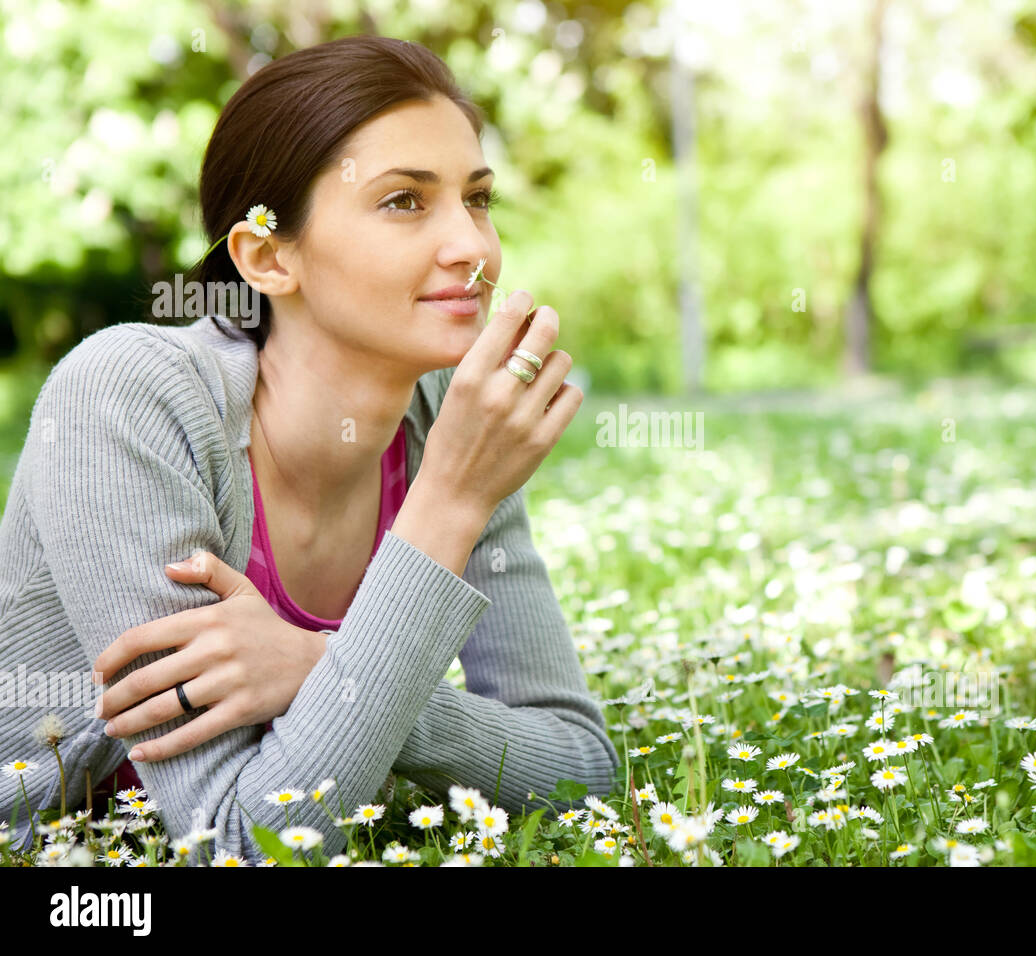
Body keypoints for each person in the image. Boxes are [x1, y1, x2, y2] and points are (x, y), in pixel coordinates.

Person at [0, 35, 617, 863]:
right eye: (404, 201)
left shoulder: (450, 418)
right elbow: (243, 846)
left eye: (477, 198)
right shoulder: (128, 395)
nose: (474, 248)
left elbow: (581, 769)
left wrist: (319, 667)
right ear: (267, 257)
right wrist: (448, 502)